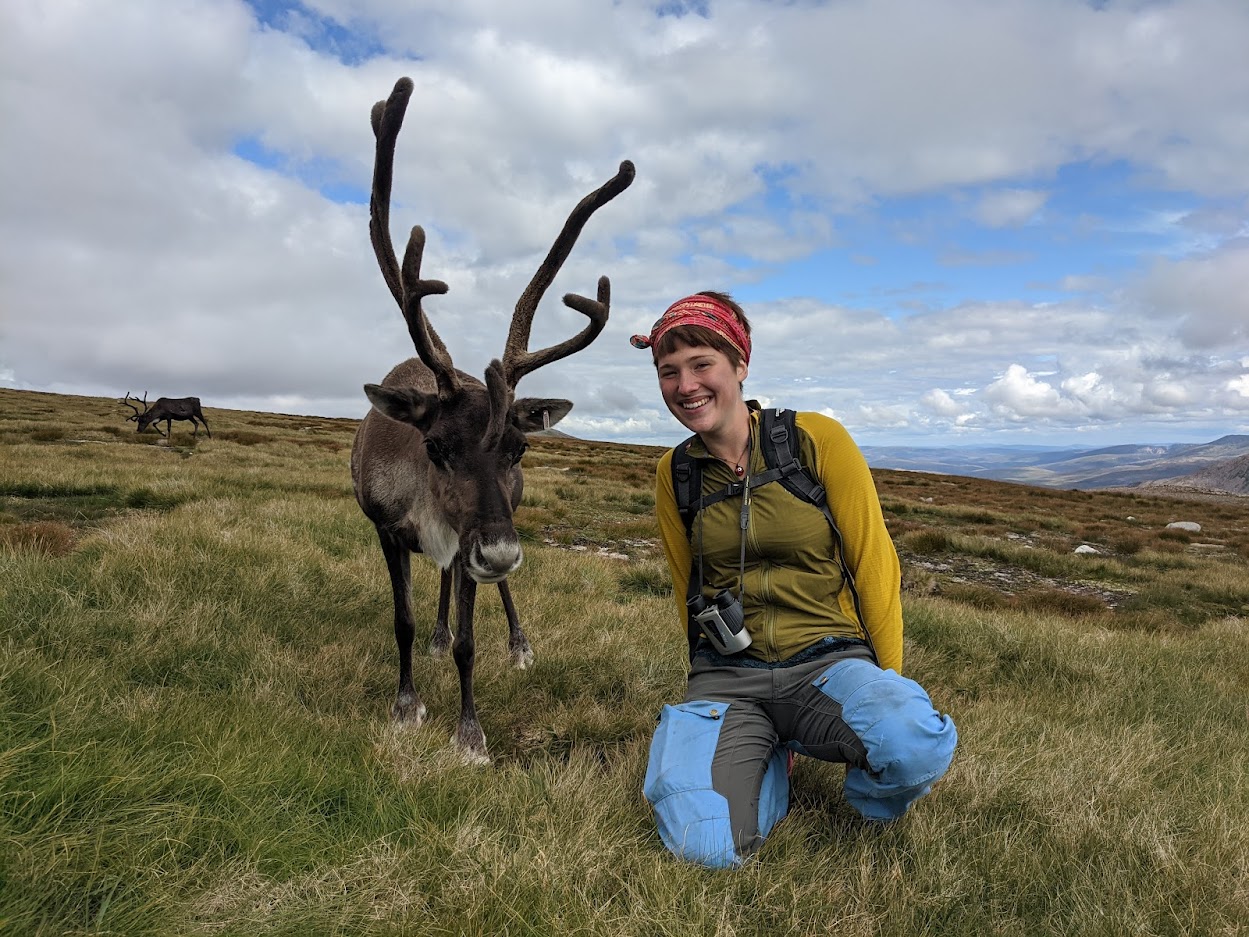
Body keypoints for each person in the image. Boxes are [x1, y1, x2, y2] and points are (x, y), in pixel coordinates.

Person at [631, 292, 957, 869]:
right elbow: (688, 587)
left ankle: (861, 795)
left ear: (740, 365)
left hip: (829, 663)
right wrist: (700, 685)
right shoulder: (673, 473)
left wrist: (887, 688)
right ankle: (764, 759)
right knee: (703, 848)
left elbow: (875, 566)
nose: (686, 385)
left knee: (909, 743)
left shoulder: (816, 440)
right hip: (729, 677)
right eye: (669, 371)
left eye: (702, 364)